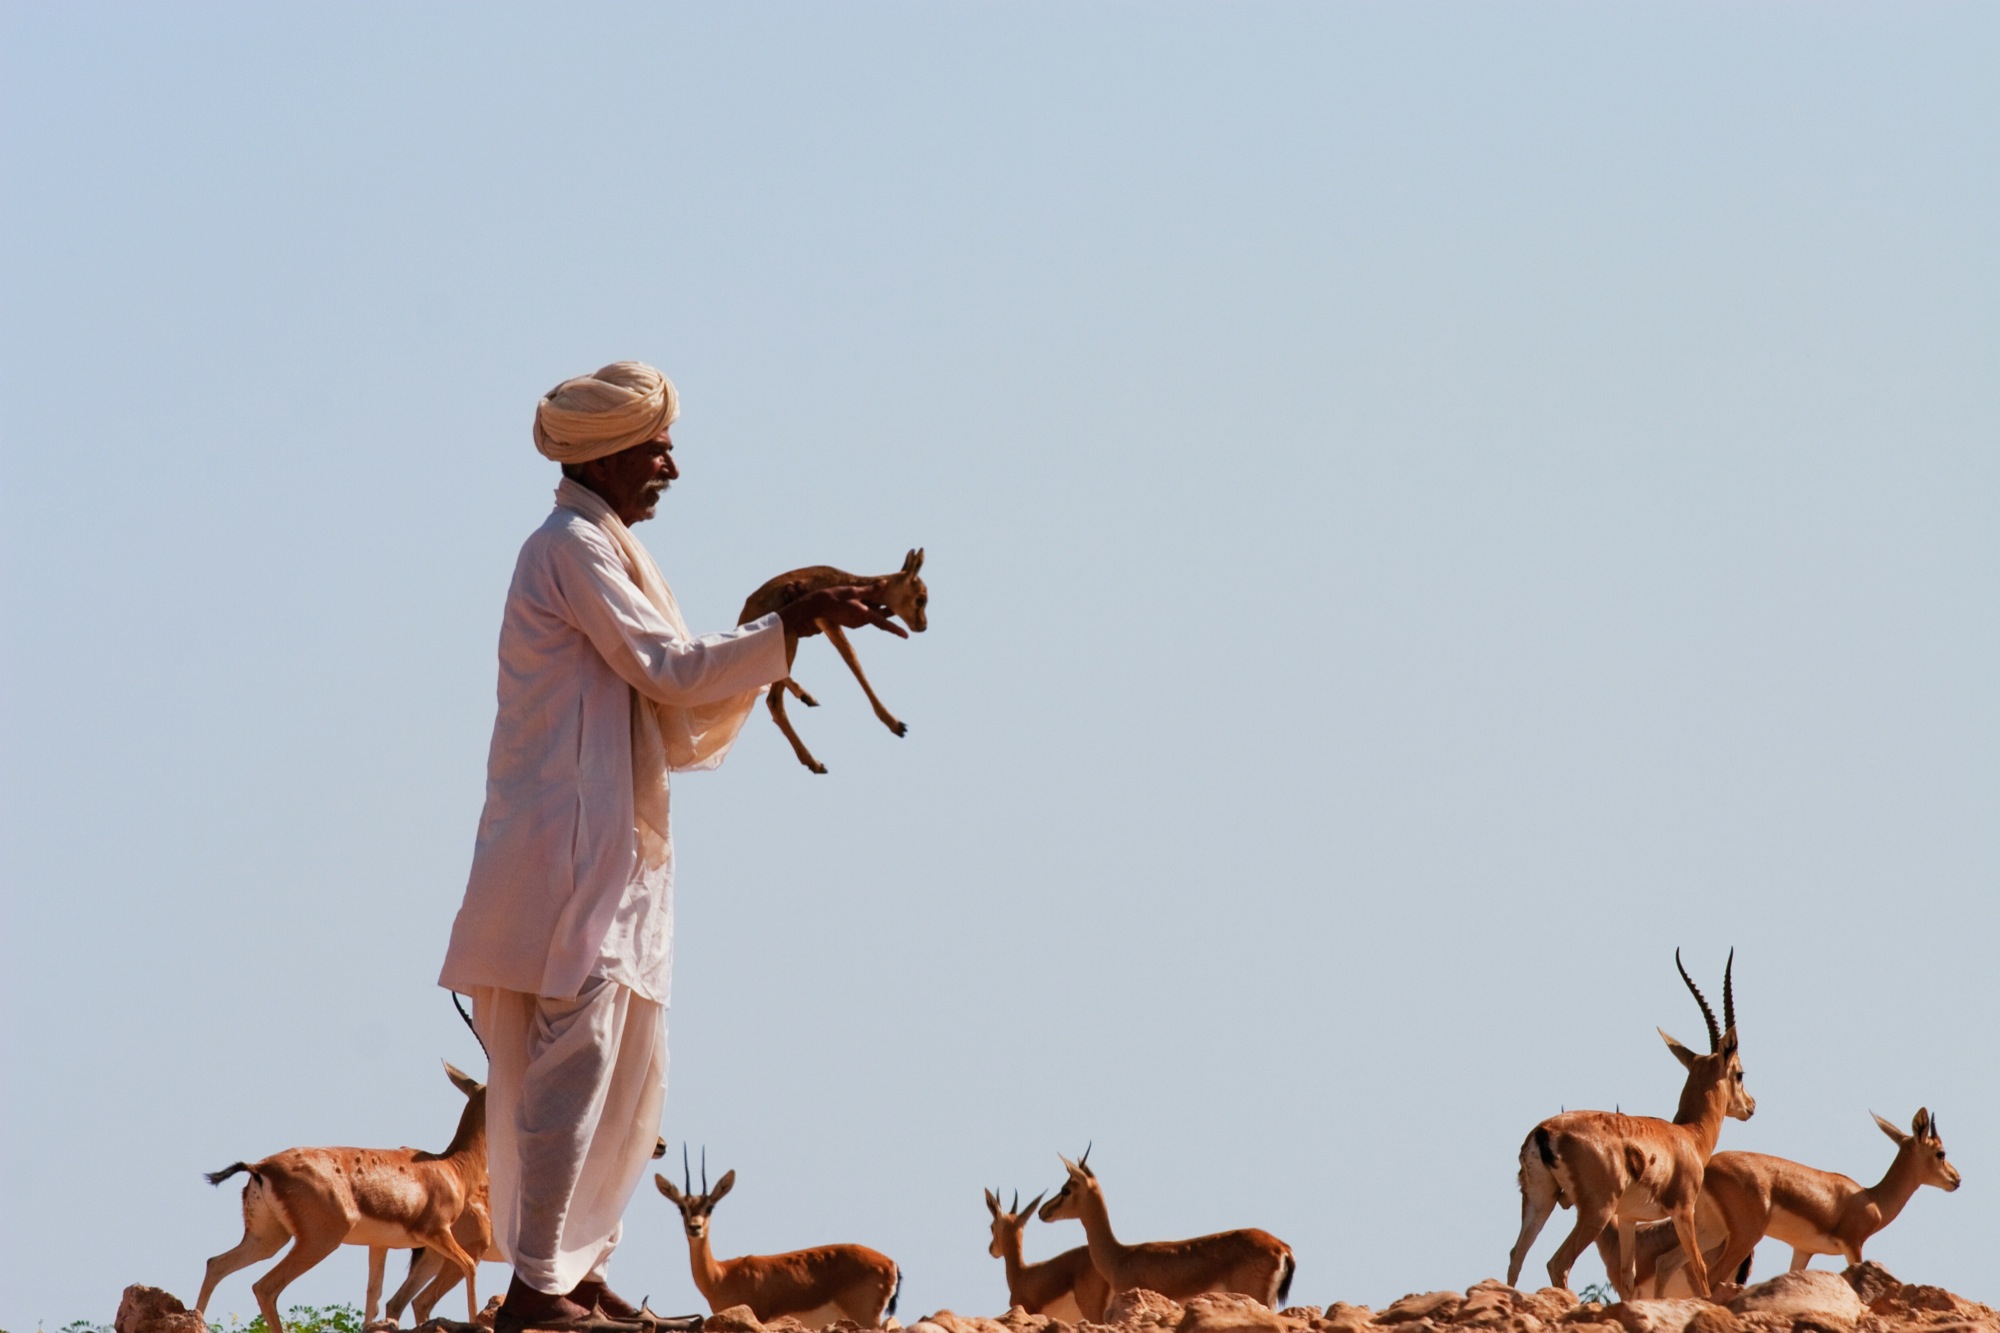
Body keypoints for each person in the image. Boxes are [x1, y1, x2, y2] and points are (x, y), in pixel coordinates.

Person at [438, 362, 904, 1331]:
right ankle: (533, 1291)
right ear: (601, 454)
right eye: (655, 448)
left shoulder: (600, 543)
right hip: (568, 850)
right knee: (572, 1066)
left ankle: (572, 1272)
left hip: (612, 845)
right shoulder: (569, 546)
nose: (670, 467)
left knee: (619, 1069)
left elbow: (667, 690)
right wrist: (789, 624)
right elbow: (666, 669)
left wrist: (795, 622)